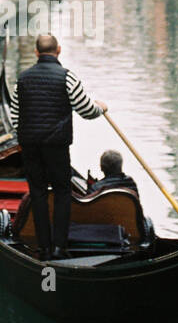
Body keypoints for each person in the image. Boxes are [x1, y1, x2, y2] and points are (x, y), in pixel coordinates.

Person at [9, 34, 107, 261]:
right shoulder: (67, 77)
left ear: (36, 52)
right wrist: (101, 107)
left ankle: (43, 247)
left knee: (38, 193)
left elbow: (15, 117)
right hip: (56, 146)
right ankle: (59, 248)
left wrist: (25, 137)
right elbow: (86, 110)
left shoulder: (22, 80)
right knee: (63, 192)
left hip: (30, 145)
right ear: (59, 50)